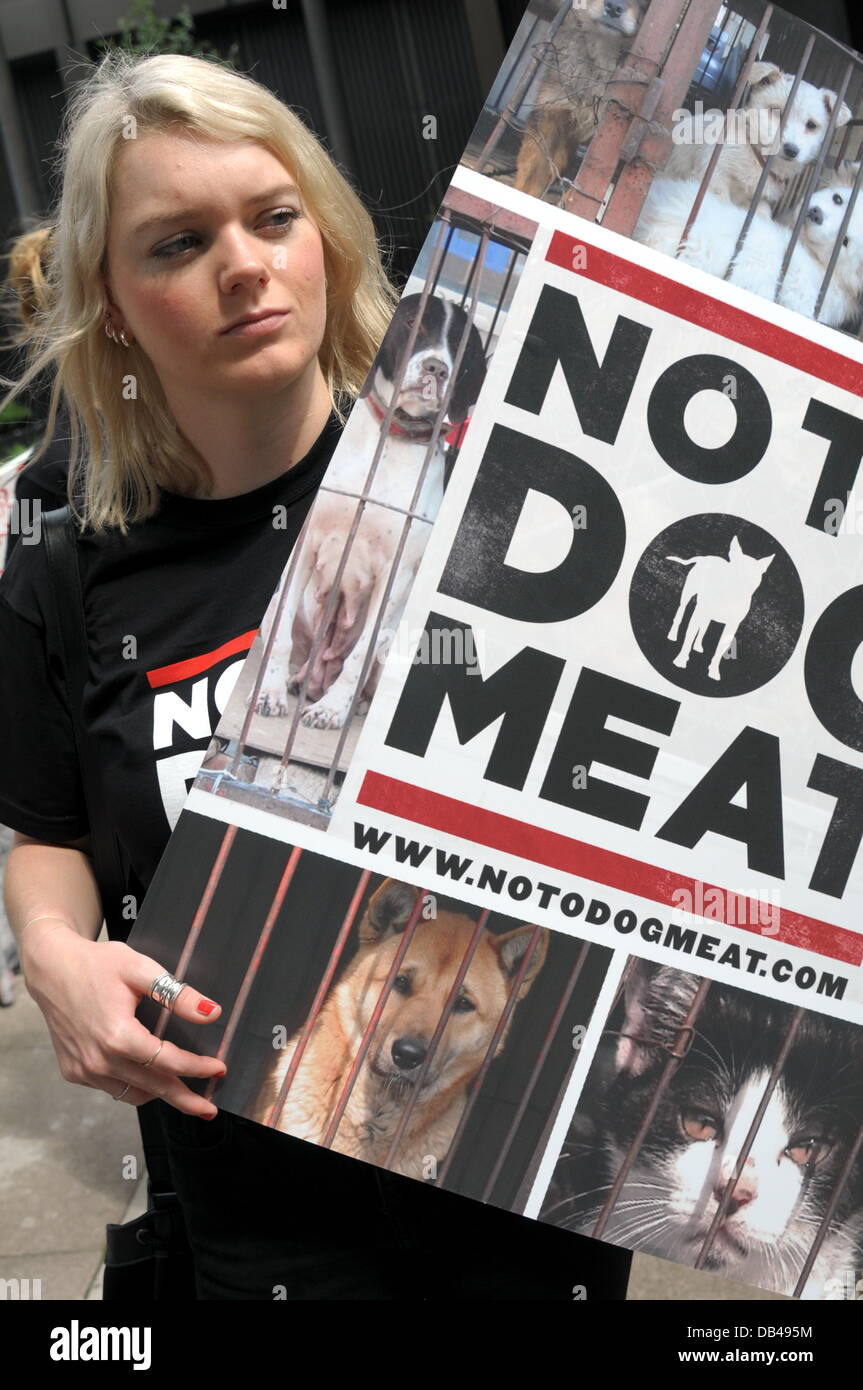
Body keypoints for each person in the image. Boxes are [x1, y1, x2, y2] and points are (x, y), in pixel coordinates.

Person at [0, 49, 632, 1300]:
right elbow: (47, 827)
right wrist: (52, 951)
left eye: (273, 218)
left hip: (515, 1233)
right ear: (113, 303)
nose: (244, 264)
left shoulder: (500, 496)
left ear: (324, 240)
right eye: (177, 243)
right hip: (257, 1234)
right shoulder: (63, 562)